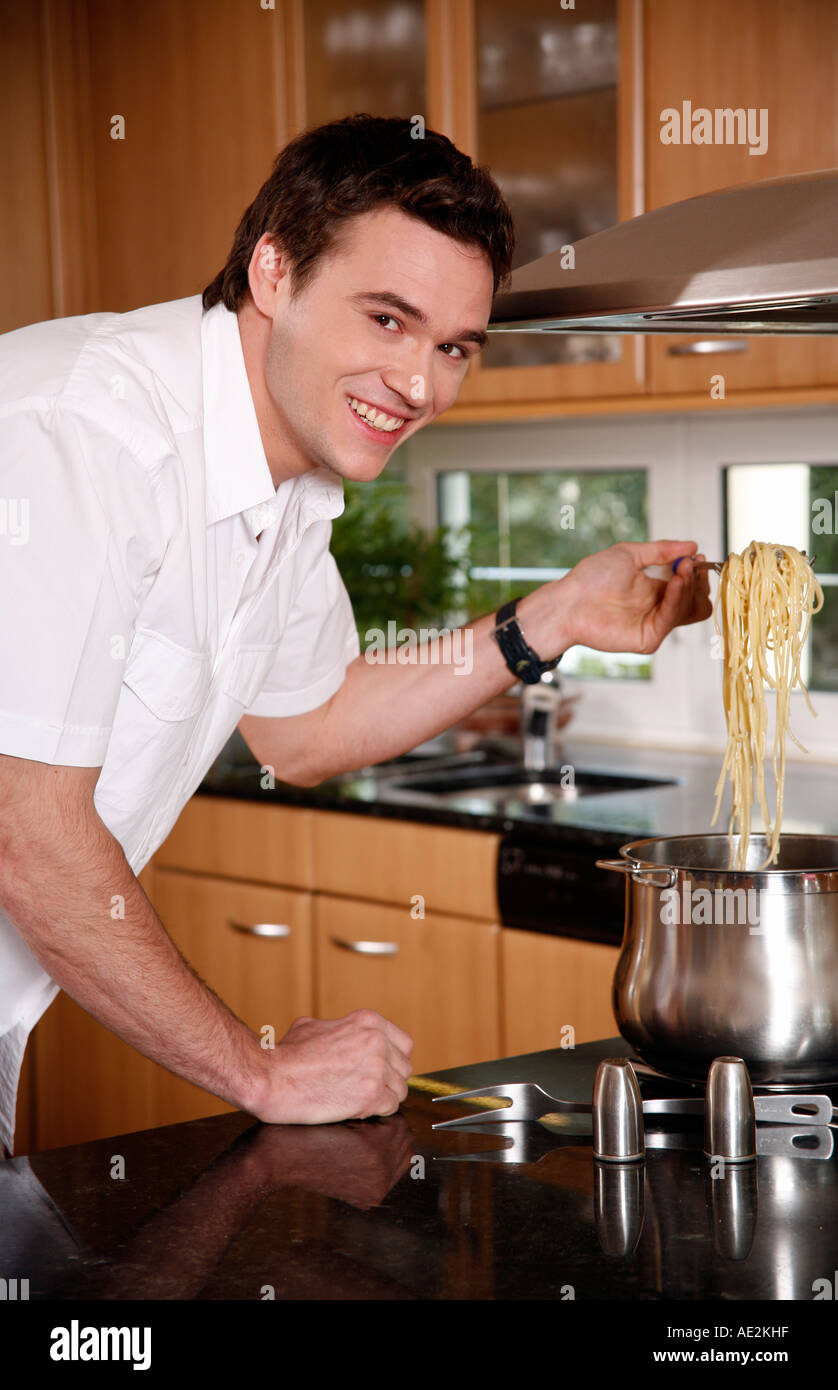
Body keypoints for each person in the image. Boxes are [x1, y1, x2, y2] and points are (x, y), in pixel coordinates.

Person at [0, 115, 711, 1156]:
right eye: (387, 319)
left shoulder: (283, 481)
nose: (420, 385)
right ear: (274, 271)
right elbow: (29, 837)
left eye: (452, 346)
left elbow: (310, 724)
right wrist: (260, 1070)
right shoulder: (84, 434)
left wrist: (550, 620)